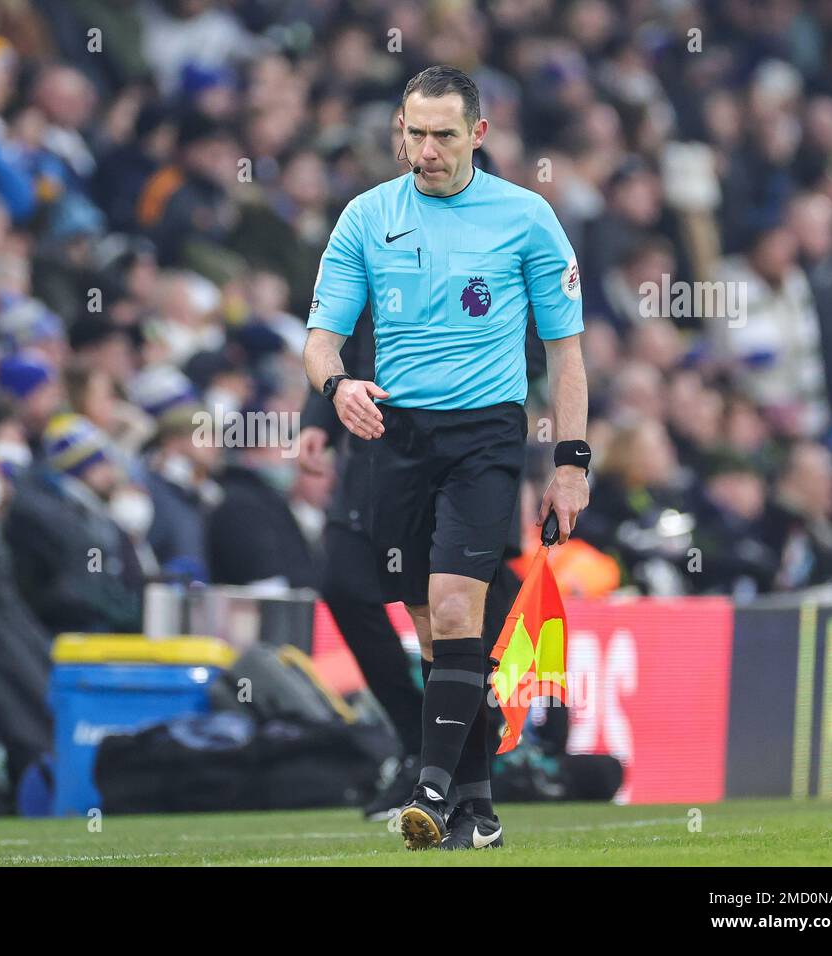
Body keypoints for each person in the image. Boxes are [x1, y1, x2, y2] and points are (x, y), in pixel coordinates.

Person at [303, 66, 589, 850]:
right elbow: (321, 338)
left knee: (461, 607)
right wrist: (336, 386)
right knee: (434, 634)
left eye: (442, 135)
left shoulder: (526, 219)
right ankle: (479, 808)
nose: (424, 150)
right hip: (397, 439)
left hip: (487, 435)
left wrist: (570, 462)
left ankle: (427, 787)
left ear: (479, 135)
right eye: (413, 132)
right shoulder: (365, 218)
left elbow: (566, 357)